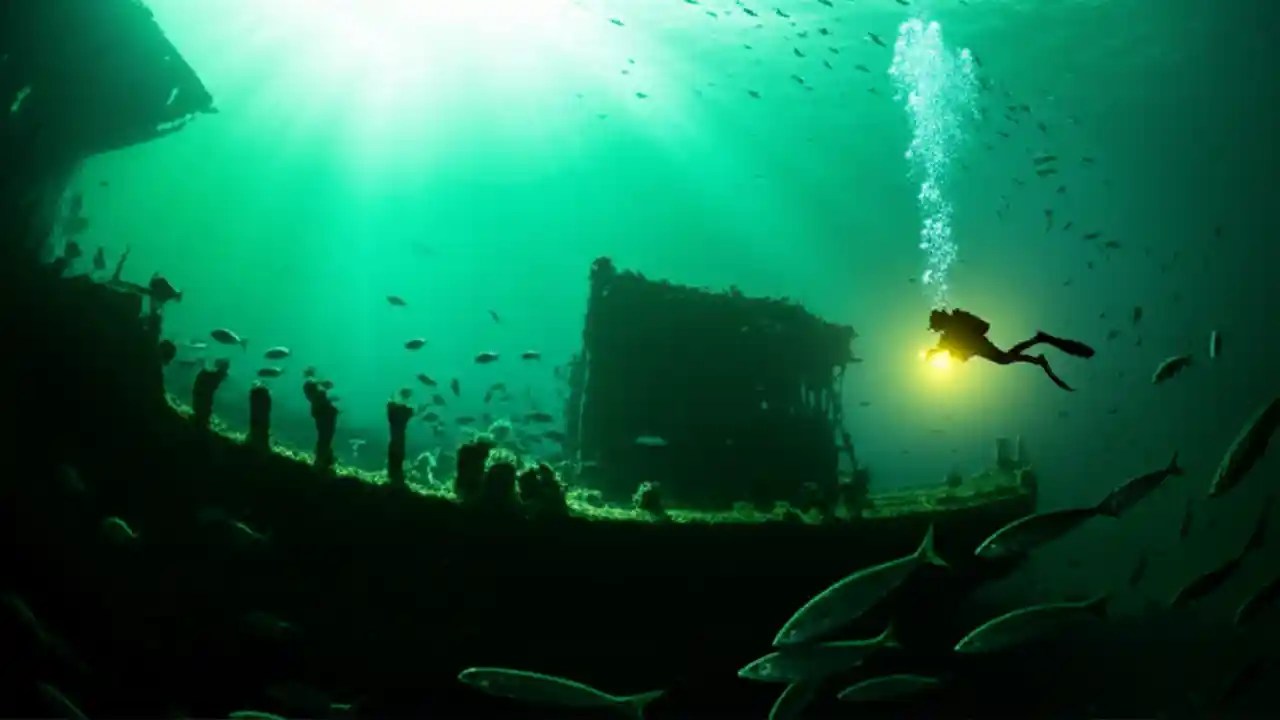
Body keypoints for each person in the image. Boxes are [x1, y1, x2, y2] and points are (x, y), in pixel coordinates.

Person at [925, 308, 1095, 391]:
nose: (937, 330)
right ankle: (1037, 356)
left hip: (982, 347)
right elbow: (951, 348)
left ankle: (1037, 346)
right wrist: (935, 352)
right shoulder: (950, 332)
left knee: (1005, 359)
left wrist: (938, 351)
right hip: (981, 347)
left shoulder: (952, 329)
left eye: (936, 327)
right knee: (1006, 358)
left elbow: (960, 342)